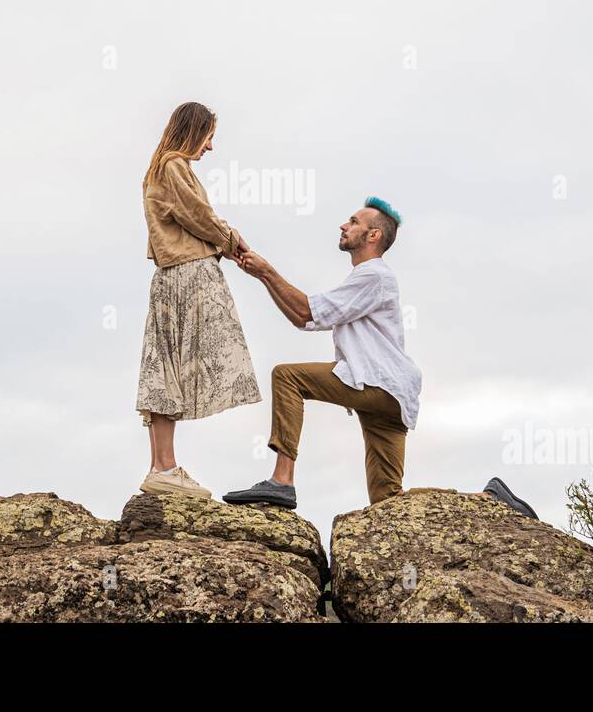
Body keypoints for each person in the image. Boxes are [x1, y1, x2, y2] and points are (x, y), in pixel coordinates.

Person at [222, 196, 538, 519]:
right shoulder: (369, 278)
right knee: (388, 503)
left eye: (354, 222)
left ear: (373, 236)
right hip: (391, 396)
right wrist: (260, 273)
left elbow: (306, 309)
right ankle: (489, 500)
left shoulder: (374, 275)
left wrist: (267, 270)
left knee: (287, 377)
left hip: (377, 385)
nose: (344, 226)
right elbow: (303, 318)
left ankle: (282, 480)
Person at [135, 102, 261, 499]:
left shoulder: (160, 169)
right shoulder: (173, 167)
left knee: (164, 366)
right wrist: (232, 239)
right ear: (194, 131)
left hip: (168, 277)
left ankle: (163, 466)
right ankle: (164, 466)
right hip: (189, 273)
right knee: (185, 362)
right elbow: (199, 215)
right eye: (208, 137)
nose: (209, 147)